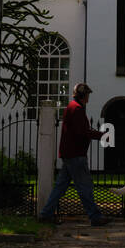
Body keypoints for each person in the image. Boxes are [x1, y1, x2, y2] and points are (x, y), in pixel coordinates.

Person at [37, 83, 111, 225]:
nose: (89, 97)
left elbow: (79, 129)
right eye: (88, 94)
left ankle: (45, 214)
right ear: (84, 95)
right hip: (76, 154)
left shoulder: (72, 107)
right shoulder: (77, 109)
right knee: (85, 186)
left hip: (69, 153)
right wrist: (102, 135)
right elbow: (81, 132)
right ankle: (95, 217)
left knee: (60, 186)